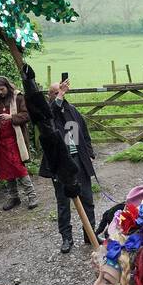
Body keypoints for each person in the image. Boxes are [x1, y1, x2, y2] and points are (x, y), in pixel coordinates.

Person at [39, 79, 97, 254]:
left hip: (78, 161)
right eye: (54, 93)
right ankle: (67, 238)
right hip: (59, 164)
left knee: (87, 199)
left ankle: (90, 234)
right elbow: (50, 116)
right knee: (63, 203)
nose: (59, 95)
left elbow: (84, 134)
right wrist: (61, 96)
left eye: (60, 92)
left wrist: (90, 154)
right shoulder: (46, 114)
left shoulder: (72, 111)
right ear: (49, 96)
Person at [0, 76, 37, 211]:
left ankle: (32, 196)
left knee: (19, 168)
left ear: (7, 87)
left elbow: (28, 115)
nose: (0, 92)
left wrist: (11, 117)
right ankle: (14, 197)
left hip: (15, 140)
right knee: (6, 169)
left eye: (2, 89)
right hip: (1, 142)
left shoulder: (18, 98)